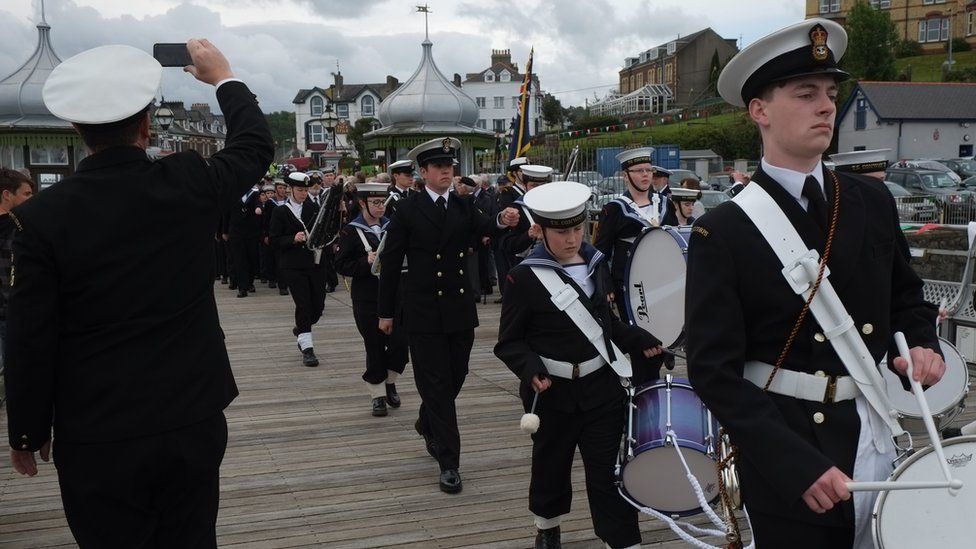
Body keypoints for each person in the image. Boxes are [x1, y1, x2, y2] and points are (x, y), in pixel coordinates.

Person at [687, 19, 945, 548]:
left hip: (874, 430)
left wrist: (921, 342)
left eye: (830, 93)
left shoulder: (871, 200)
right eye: (806, 94)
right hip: (789, 451)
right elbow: (713, 372)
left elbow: (906, 297)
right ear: (759, 111)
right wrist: (793, 464)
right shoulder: (723, 230)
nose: (826, 107)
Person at [4, 40, 273, 546]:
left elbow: (29, 336)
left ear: (77, 130)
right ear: (146, 125)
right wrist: (224, 78)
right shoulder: (188, 180)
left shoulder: (40, 217)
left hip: (98, 427)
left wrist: (27, 430)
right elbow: (254, 146)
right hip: (189, 413)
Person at [495, 182, 661, 549]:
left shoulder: (596, 264)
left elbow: (606, 325)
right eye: (562, 233)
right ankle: (547, 525)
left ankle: (622, 541)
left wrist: (638, 339)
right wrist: (531, 369)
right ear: (540, 231)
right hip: (552, 393)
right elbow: (509, 342)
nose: (572, 239)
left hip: (601, 388)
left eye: (577, 229)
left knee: (609, 473)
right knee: (550, 466)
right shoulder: (523, 277)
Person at [377, 137, 520, 494]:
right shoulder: (407, 210)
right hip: (423, 310)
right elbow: (390, 264)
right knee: (437, 386)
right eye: (439, 167)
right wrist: (385, 312)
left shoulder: (462, 205)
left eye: (450, 166)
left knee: (456, 376)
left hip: (458, 309)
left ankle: (427, 420)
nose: (446, 172)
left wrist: (503, 219)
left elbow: (486, 227)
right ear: (423, 172)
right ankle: (449, 462)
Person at [593, 149, 667, 386]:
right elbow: (600, 252)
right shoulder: (615, 209)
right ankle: (642, 392)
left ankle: (652, 388)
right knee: (641, 343)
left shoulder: (665, 203)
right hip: (630, 287)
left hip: (664, 282)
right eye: (639, 171)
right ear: (626, 176)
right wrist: (605, 285)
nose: (646, 175)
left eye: (649, 170)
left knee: (662, 340)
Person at [335, 182, 408, 416]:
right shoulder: (350, 231)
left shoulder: (393, 226)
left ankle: (390, 380)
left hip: (396, 294)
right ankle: (377, 394)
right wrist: (365, 262)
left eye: (383, 202)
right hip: (367, 297)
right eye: (375, 203)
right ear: (362, 203)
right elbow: (341, 265)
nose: (380, 207)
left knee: (400, 343)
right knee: (374, 345)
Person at [270, 171, 326, 367]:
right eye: (300, 190)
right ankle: (308, 349)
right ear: (290, 189)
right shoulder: (280, 212)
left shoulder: (314, 208)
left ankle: (301, 329)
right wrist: (292, 239)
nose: (303, 193)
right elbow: (274, 240)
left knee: (318, 306)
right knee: (303, 305)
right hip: (292, 265)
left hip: (315, 263)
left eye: (305, 190)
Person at [0, 169, 34, 404]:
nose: (32, 199)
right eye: (26, 194)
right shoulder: (20, 230)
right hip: (17, 312)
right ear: (7, 195)